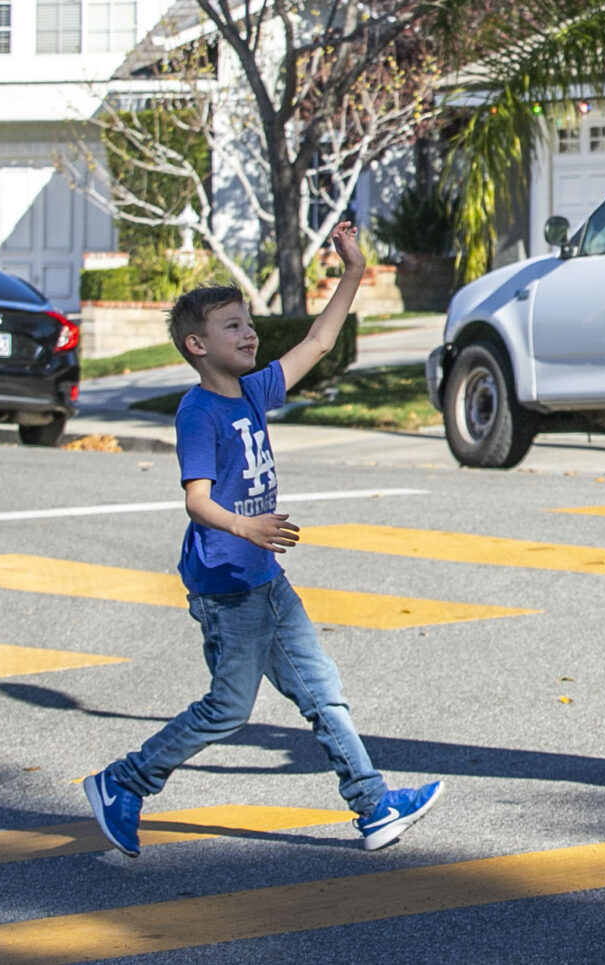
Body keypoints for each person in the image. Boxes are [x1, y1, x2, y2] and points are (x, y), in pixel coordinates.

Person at [83, 223, 442, 856]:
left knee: (322, 690)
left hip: (266, 580)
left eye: (247, 322)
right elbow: (196, 499)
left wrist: (353, 269)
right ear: (196, 344)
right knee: (227, 710)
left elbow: (320, 340)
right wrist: (247, 525)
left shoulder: (253, 390)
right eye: (231, 326)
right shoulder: (198, 412)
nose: (248, 333)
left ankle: (373, 804)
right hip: (227, 587)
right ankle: (123, 782)